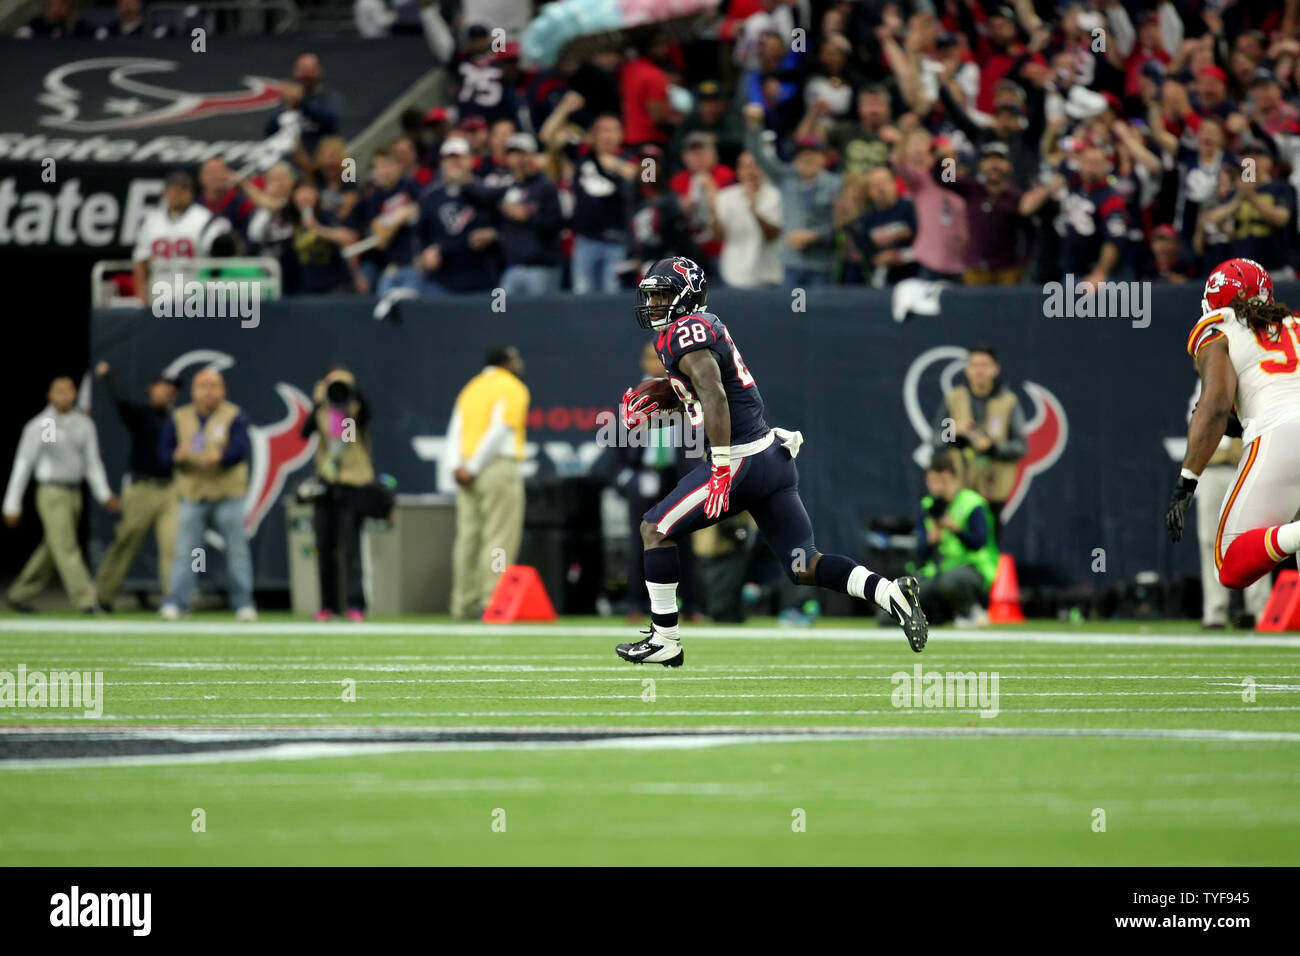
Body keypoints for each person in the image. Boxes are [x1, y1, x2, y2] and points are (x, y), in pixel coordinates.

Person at [614, 256, 928, 666]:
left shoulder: (683, 332)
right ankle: (890, 593)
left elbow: (713, 393)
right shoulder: (705, 326)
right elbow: (705, 388)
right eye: (651, 296)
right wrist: (668, 395)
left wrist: (722, 467)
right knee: (804, 563)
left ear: (686, 297)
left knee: (654, 528)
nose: (654, 304)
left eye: (662, 295)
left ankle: (665, 639)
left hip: (741, 461)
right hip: (771, 461)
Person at [1168, 258, 1300, 591]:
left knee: (1230, 563)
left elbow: (1213, 406)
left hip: (1279, 433)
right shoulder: (1296, 322)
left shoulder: (1220, 326)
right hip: (1281, 423)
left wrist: (1186, 483)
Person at [3, 377, 119, 613]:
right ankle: (86, 599)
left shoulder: (83, 425)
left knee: (53, 546)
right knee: (66, 545)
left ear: (75, 393)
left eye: (69, 390)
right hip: (52, 492)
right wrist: (11, 504)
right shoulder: (44, 426)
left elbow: (92, 463)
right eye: (59, 391)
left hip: (74, 493)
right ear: (50, 395)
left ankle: (19, 593)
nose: (64, 395)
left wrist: (104, 494)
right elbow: (24, 464)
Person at [158, 369, 256, 621]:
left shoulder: (234, 415)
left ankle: (243, 602)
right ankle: (178, 602)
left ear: (222, 389)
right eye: (202, 385)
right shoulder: (180, 417)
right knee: (187, 553)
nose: (207, 390)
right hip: (193, 494)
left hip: (228, 494)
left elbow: (241, 448)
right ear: (193, 390)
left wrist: (222, 457)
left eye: (213, 385)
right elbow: (163, 452)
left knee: (236, 551)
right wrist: (174, 456)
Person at [446, 347, 529, 620]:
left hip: (465, 466)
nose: (520, 364)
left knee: (467, 537)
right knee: (498, 537)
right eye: (516, 359)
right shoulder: (513, 387)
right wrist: (474, 467)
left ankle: (462, 605)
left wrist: (457, 466)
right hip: (494, 466)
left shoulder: (471, 388)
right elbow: (500, 429)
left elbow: (455, 430)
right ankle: (490, 603)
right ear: (506, 363)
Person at [92, 363, 180, 609]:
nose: (168, 392)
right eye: (164, 387)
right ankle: (102, 595)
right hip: (141, 489)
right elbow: (120, 402)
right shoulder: (140, 414)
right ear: (152, 388)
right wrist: (108, 376)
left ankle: (173, 600)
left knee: (173, 545)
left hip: (170, 490)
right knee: (126, 543)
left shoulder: (177, 421)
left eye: (172, 389)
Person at [301, 367, 374, 621]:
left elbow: (365, 414)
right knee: (324, 547)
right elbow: (304, 432)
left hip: (353, 484)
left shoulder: (356, 412)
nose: (338, 388)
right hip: (326, 484)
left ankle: (356, 605)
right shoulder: (323, 412)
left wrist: (351, 394)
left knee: (351, 549)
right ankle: (327, 605)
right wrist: (319, 400)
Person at [929, 345, 1027, 529]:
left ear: (995, 369)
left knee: (988, 543)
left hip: (993, 489)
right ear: (967, 369)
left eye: (984, 365)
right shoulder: (954, 399)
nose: (979, 371)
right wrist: (953, 431)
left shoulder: (1008, 402)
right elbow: (935, 441)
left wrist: (992, 447)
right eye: (974, 365)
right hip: (959, 491)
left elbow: (1021, 447)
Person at [915, 455, 998, 627]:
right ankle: (935, 618)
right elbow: (920, 553)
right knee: (903, 596)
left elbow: (979, 543)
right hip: (937, 572)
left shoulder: (972, 503)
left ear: (955, 480)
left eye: (943, 481)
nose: (938, 487)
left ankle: (971, 612)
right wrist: (931, 540)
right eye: (932, 481)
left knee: (949, 581)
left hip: (974, 569)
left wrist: (955, 529)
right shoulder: (928, 506)